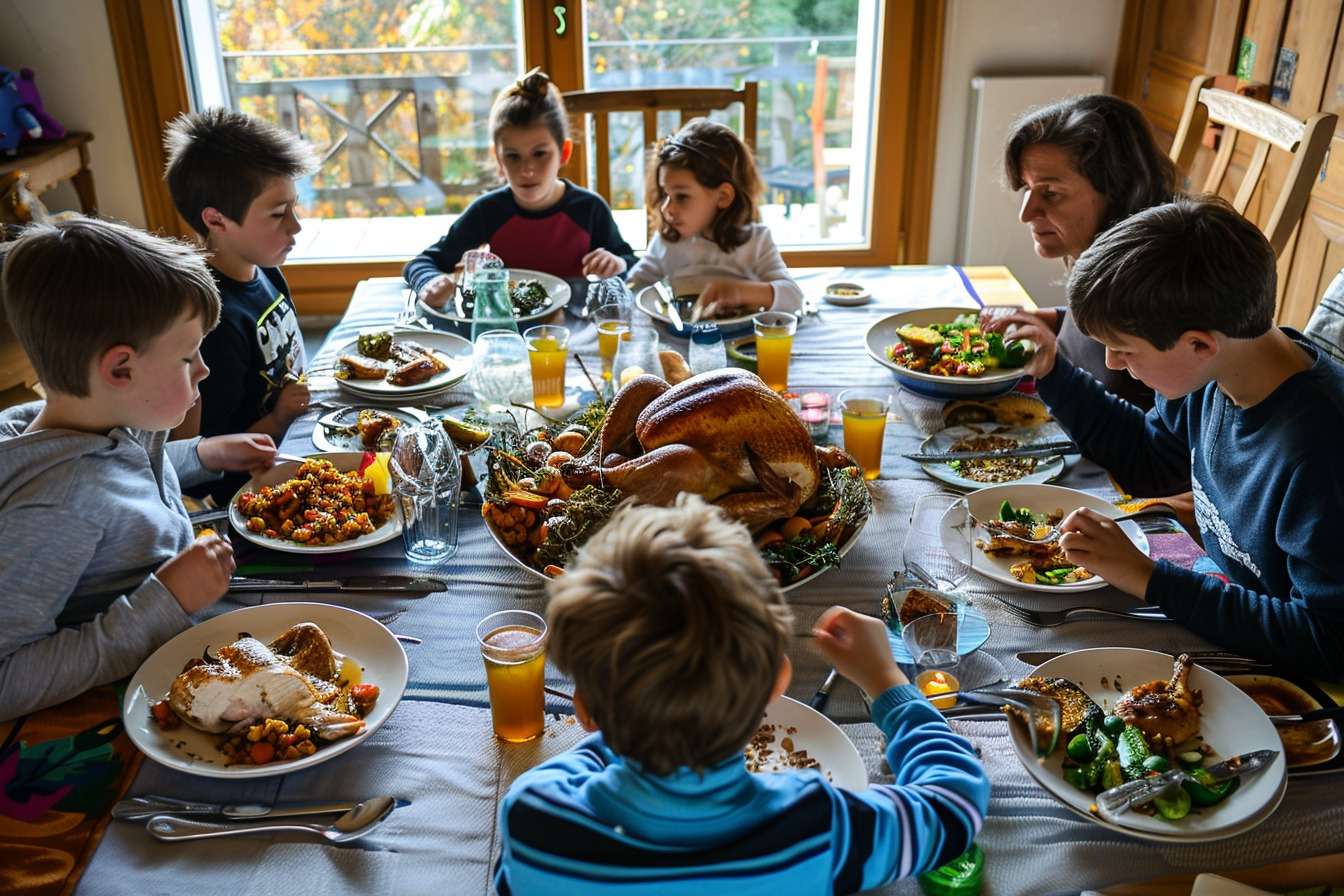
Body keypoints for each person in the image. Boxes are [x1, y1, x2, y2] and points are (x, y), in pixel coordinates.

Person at [494, 494, 989, 894]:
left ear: (583, 711)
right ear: (777, 681)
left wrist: (631, 711)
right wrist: (886, 682)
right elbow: (956, 803)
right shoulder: (816, 827)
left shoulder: (535, 818)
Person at [1033, 196, 1344, 678]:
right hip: (1224, 609)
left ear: (1200, 344)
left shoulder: (1319, 451)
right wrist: (1052, 372)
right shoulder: (1214, 375)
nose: (1114, 363)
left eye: (1125, 349)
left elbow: (1326, 640)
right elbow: (1150, 459)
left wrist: (1149, 578)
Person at [0, 217, 277, 720]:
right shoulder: (55, 507)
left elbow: (123, 478)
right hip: (124, 702)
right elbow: (5, 680)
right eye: (188, 356)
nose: (204, 369)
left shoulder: (109, 416)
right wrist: (165, 600)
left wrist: (202, 454)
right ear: (120, 369)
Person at [986, 95, 1178, 410]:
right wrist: (1041, 320)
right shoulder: (1100, 261)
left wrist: (1052, 368)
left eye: (1051, 193)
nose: (1026, 213)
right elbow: (1087, 336)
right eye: (1026, 188)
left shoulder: (1149, 293)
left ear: (1118, 191)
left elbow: (1143, 439)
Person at [163, 107, 316, 503]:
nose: (295, 226)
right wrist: (280, 417)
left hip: (293, 431)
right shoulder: (213, 322)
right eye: (279, 214)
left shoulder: (264, 271)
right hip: (250, 487)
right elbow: (206, 453)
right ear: (216, 221)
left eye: (294, 207)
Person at [404, 69, 636, 308]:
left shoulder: (589, 208)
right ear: (498, 159)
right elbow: (421, 263)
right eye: (513, 156)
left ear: (564, 152)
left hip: (575, 329)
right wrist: (430, 282)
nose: (527, 169)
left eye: (540, 154)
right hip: (510, 330)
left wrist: (618, 264)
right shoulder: (489, 210)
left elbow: (634, 264)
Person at [626, 118, 803, 320]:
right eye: (665, 194)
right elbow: (634, 288)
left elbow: (794, 298)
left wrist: (739, 291)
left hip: (743, 343)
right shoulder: (667, 241)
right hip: (677, 343)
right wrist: (618, 273)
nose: (667, 208)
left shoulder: (756, 242)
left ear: (723, 197)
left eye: (681, 197)